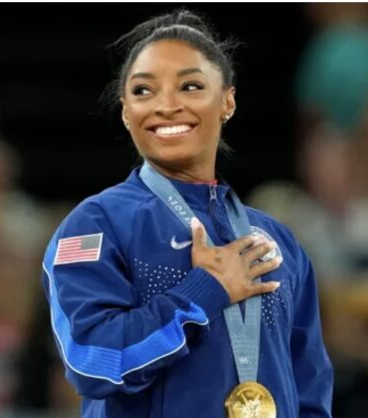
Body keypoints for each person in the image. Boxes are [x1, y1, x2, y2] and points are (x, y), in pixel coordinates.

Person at [40, 10, 333, 418]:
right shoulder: (96, 225)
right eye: (143, 92)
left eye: (191, 86)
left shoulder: (278, 241)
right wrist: (204, 292)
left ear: (227, 101)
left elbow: (311, 390)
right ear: (126, 112)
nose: (166, 106)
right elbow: (92, 361)